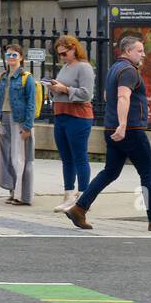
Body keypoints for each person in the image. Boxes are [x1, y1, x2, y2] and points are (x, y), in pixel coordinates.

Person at [66, 35, 151, 231]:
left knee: (110, 172)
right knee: (147, 172)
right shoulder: (128, 70)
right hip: (130, 130)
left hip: (112, 128)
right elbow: (123, 97)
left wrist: (117, 125)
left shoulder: (114, 69)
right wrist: (123, 125)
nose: (143, 54)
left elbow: (106, 95)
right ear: (128, 51)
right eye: (139, 51)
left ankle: (79, 208)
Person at [47, 35, 95, 212]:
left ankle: (83, 199)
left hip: (78, 117)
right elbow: (61, 91)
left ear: (74, 48)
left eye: (64, 53)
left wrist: (64, 89)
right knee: (66, 159)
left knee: (79, 157)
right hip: (61, 115)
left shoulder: (84, 68)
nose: (62, 57)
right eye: (59, 54)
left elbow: (86, 94)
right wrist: (53, 89)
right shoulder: (65, 67)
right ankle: (68, 196)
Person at [0, 43, 35, 205]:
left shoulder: (26, 77)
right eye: (8, 55)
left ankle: (23, 196)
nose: (10, 58)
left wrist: (27, 126)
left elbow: (31, 103)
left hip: (19, 120)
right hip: (5, 119)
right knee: (7, 158)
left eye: (14, 55)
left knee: (20, 158)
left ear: (21, 58)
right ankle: (12, 191)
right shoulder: (3, 77)